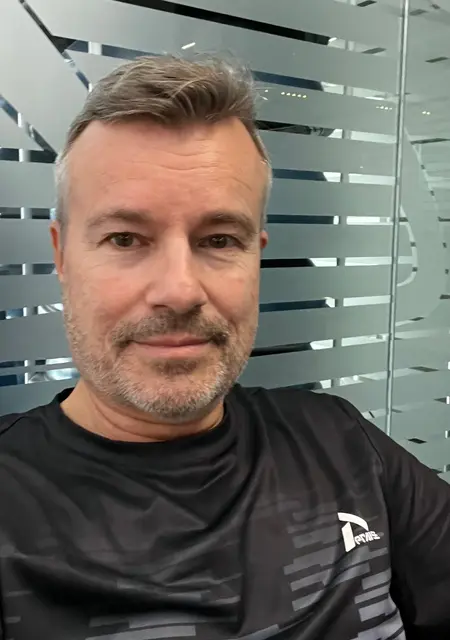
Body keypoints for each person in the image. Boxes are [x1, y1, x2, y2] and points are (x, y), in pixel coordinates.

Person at [0, 56, 449, 640]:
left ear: (256, 254)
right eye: (125, 239)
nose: (180, 290)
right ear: (61, 256)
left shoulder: (340, 442)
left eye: (218, 239)